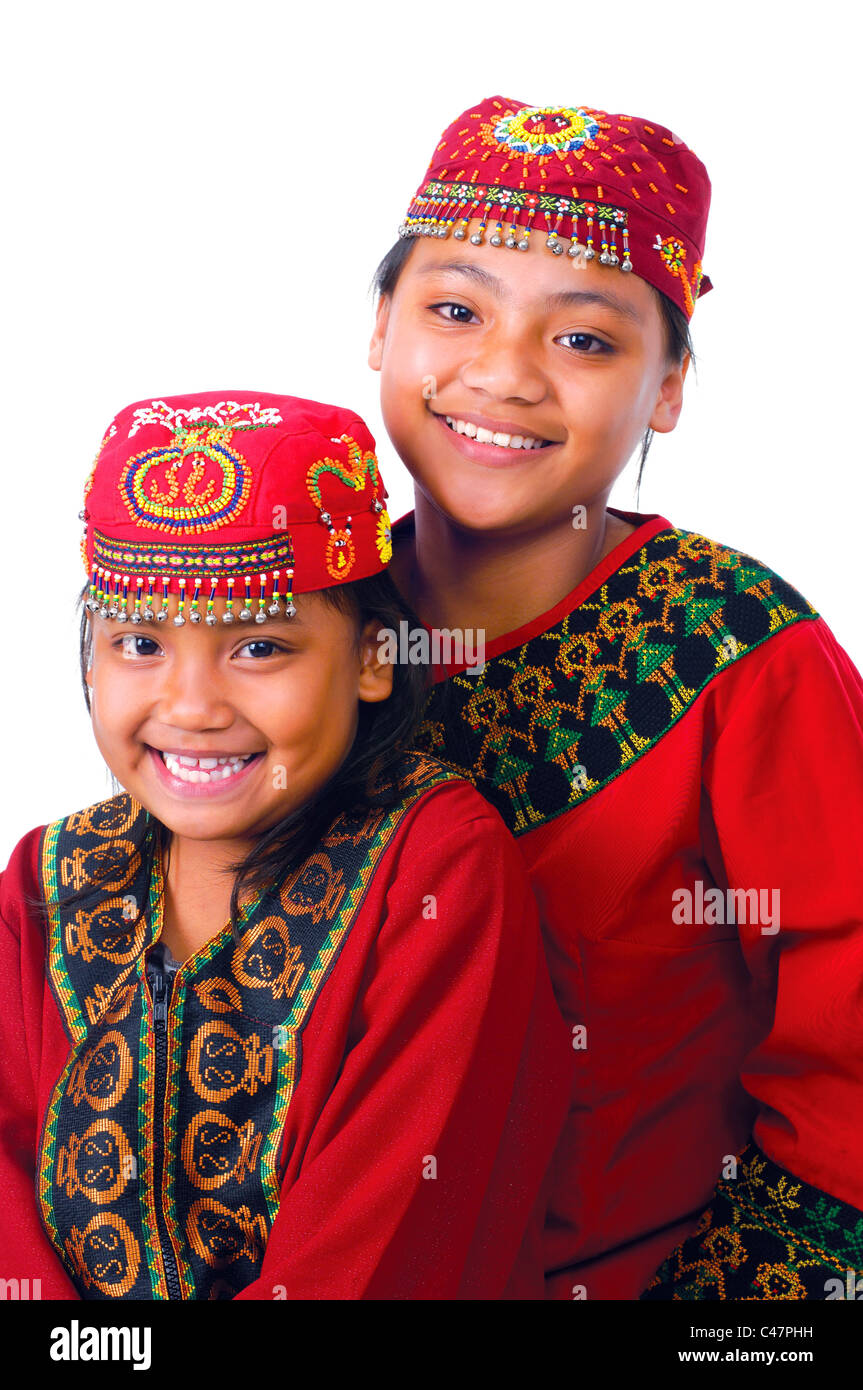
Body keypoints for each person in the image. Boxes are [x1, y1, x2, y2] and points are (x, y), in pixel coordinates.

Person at [367, 96, 863, 1300]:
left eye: (583, 340)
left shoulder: (743, 655)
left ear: (669, 387)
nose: (500, 372)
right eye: (453, 309)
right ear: (378, 328)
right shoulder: (300, 628)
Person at [0, 390, 572, 1301]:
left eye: (259, 647)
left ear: (372, 658)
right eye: (139, 642)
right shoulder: (49, 875)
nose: (189, 707)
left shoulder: (433, 866)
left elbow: (389, 1239)